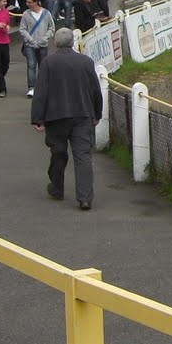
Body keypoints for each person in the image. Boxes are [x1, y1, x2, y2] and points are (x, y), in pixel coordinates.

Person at [31, 27, 103, 211]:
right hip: (82, 114)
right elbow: (96, 90)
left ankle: (57, 188)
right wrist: (97, 113)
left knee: (58, 152)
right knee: (83, 156)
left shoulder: (48, 63)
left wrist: (38, 119)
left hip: (56, 116)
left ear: (55, 42)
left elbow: (41, 93)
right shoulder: (86, 62)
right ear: (72, 42)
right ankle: (85, 197)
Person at [18, 0, 55, 98]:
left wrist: (45, 38)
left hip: (43, 44)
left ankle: (43, 87)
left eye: (30, 2)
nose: (28, 4)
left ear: (36, 2)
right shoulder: (26, 14)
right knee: (31, 65)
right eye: (27, 2)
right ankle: (31, 87)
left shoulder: (46, 13)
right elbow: (22, 29)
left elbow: (51, 28)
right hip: (30, 44)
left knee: (43, 66)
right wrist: (30, 39)